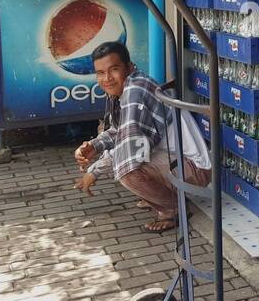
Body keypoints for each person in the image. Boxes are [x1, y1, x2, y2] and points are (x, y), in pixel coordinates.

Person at [73, 42, 212, 233]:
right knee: (126, 159)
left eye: (114, 69)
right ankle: (160, 196)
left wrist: (94, 171)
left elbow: (130, 147)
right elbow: (119, 130)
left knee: (126, 168)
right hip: (177, 161)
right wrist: (94, 146)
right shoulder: (129, 84)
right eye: (100, 73)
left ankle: (171, 210)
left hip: (196, 170)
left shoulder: (135, 91)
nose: (107, 78)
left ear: (129, 67)